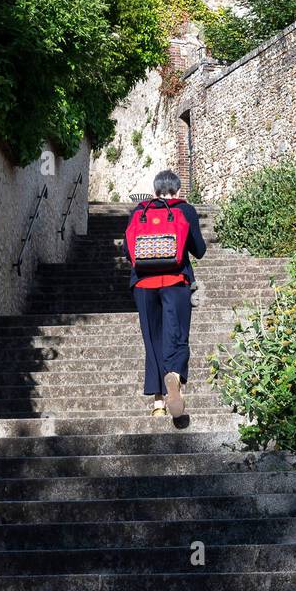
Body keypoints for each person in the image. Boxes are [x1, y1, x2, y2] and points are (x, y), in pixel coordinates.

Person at [126, 170, 207, 418]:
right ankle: (174, 375)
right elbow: (199, 250)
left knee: (153, 340)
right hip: (176, 280)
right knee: (177, 335)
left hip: (143, 283)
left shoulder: (139, 211)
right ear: (178, 190)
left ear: (154, 192)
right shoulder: (185, 210)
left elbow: (128, 252)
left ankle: (159, 402)